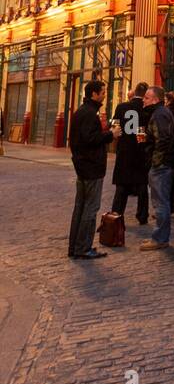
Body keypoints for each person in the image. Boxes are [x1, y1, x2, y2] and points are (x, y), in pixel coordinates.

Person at [67, 79, 112, 259]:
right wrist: (110, 135)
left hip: (83, 167)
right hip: (91, 169)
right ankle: (83, 247)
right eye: (102, 92)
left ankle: (75, 246)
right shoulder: (89, 114)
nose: (104, 95)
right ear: (94, 94)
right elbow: (90, 140)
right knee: (90, 209)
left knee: (80, 207)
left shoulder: (81, 112)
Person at [140, 86, 174, 252]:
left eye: (147, 97)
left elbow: (163, 139)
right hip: (163, 163)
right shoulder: (160, 112)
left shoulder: (160, 114)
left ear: (155, 99)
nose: (143, 100)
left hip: (161, 165)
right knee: (161, 201)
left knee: (160, 202)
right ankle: (161, 236)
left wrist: (156, 160)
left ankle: (160, 238)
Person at [110, 82, 149, 225]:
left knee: (121, 186)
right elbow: (142, 132)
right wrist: (140, 142)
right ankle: (142, 215)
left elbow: (114, 126)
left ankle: (116, 213)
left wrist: (121, 138)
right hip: (139, 152)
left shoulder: (121, 107)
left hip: (124, 151)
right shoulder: (145, 109)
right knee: (142, 185)